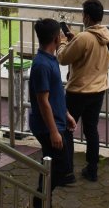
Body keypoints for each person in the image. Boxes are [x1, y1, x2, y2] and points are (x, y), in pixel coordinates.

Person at [57, 0, 109, 182]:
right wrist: (75, 41)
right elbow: (93, 55)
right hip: (99, 90)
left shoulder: (83, 38)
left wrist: (64, 42)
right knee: (91, 130)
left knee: (67, 129)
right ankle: (92, 169)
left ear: (87, 17)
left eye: (83, 14)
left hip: (78, 91)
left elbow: (63, 58)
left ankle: (67, 172)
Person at [29, 19, 76, 207]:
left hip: (56, 120)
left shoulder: (50, 60)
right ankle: (39, 199)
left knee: (52, 163)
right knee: (61, 165)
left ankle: (43, 201)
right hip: (47, 126)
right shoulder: (41, 64)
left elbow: (55, 93)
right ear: (56, 38)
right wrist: (54, 131)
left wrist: (66, 114)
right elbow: (43, 101)